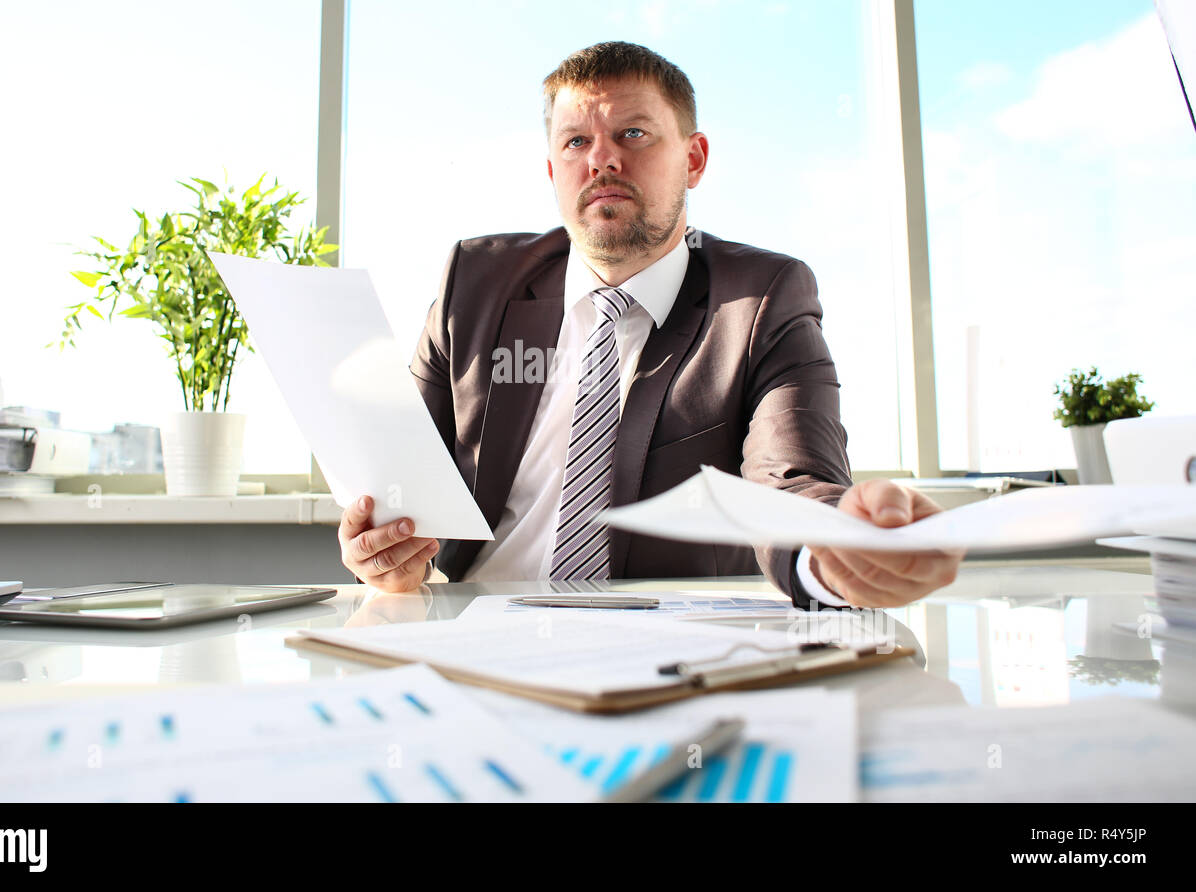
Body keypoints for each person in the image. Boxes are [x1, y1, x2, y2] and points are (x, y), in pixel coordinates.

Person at [338, 41, 961, 608]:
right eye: (576, 142)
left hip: (669, 655)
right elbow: (403, 485)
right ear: (553, 171)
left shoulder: (763, 299)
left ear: (694, 159)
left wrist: (836, 549)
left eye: (633, 133)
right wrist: (385, 554)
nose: (602, 159)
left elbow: (790, 482)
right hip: (481, 641)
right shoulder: (474, 283)